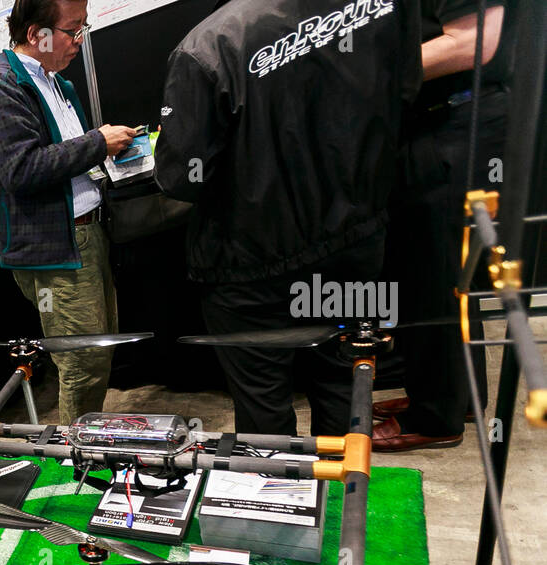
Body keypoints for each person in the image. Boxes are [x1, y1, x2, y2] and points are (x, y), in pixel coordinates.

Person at [155, 0, 422, 436]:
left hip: (250, 265)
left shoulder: (208, 46)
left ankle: (278, 497)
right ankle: (342, 494)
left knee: (264, 408)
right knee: (342, 380)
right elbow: (407, 92)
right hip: (354, 237)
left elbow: (181, 177)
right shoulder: (382, 6)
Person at [0, 0, 137, 426]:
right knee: (81, 365)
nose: (78, 41)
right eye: (71, 30)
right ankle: (78, 463)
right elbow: (21, 169)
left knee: (98, 353)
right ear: (35, 35)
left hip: (87, 236)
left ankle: (87, 445)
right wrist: (98, 143)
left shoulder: (56, 83)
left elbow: (64, 159)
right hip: (56, 249)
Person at [372, 1, 508, 452]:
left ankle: (433, 419)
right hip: (438, 121)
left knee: (432, 275)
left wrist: (368, 71)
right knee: (445, 274)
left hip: (455, 121)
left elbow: (474, 42)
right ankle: (460, 396)